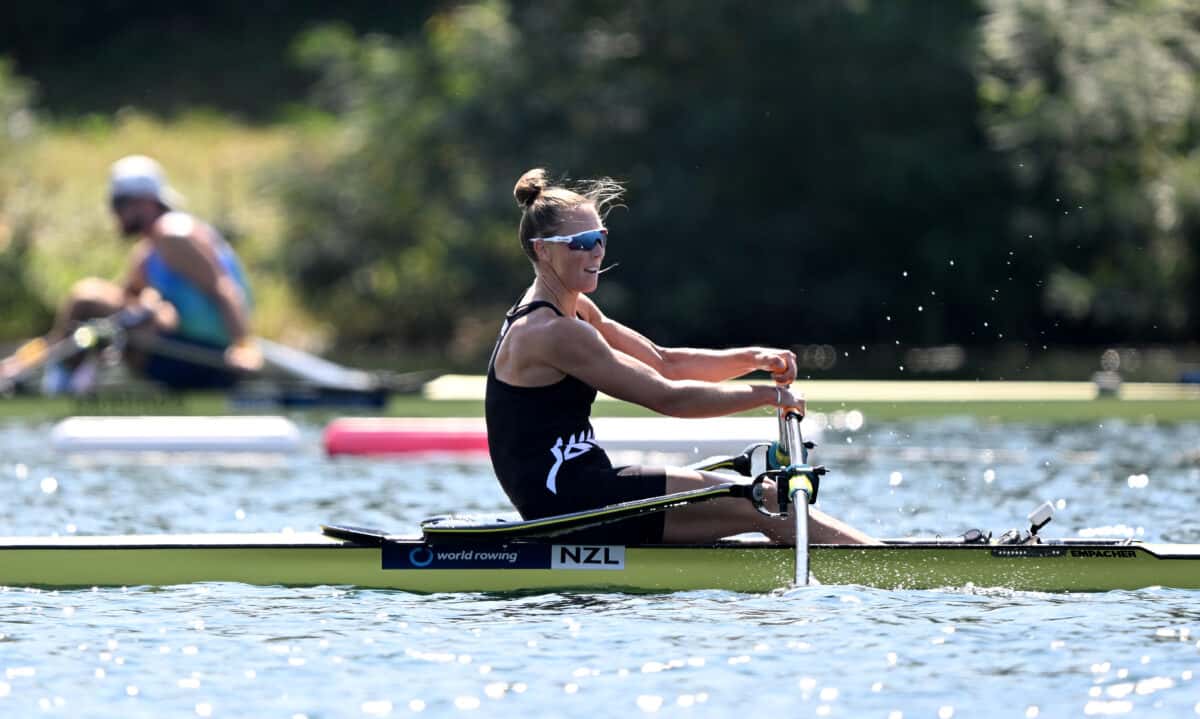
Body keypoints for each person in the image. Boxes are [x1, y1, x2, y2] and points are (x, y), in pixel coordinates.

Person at [485, 168, 877, 545]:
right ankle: (888, 573)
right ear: (542, 250)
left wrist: (754, 358)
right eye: (582, 242)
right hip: (570, 505)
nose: (598, 252)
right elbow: (669, 397)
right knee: (764, 500)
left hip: (586, 486)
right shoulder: (553, 333)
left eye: (601, 237)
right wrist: (769, 395)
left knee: (760, 497)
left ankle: (862, 559)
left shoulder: (575, 308)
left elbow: (664, 360)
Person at [0, 155, 260, 393]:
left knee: (87, 297)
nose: (114, 214)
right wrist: (24, 358)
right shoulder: (147, 255)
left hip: (211, 359)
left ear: (145, 202)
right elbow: (111, 307)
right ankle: (36, 372)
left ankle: (55, 390)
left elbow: (224, 289)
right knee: (99, 309)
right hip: (179, 354)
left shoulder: (174, 234)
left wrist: (243, 347)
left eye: (118, 204)